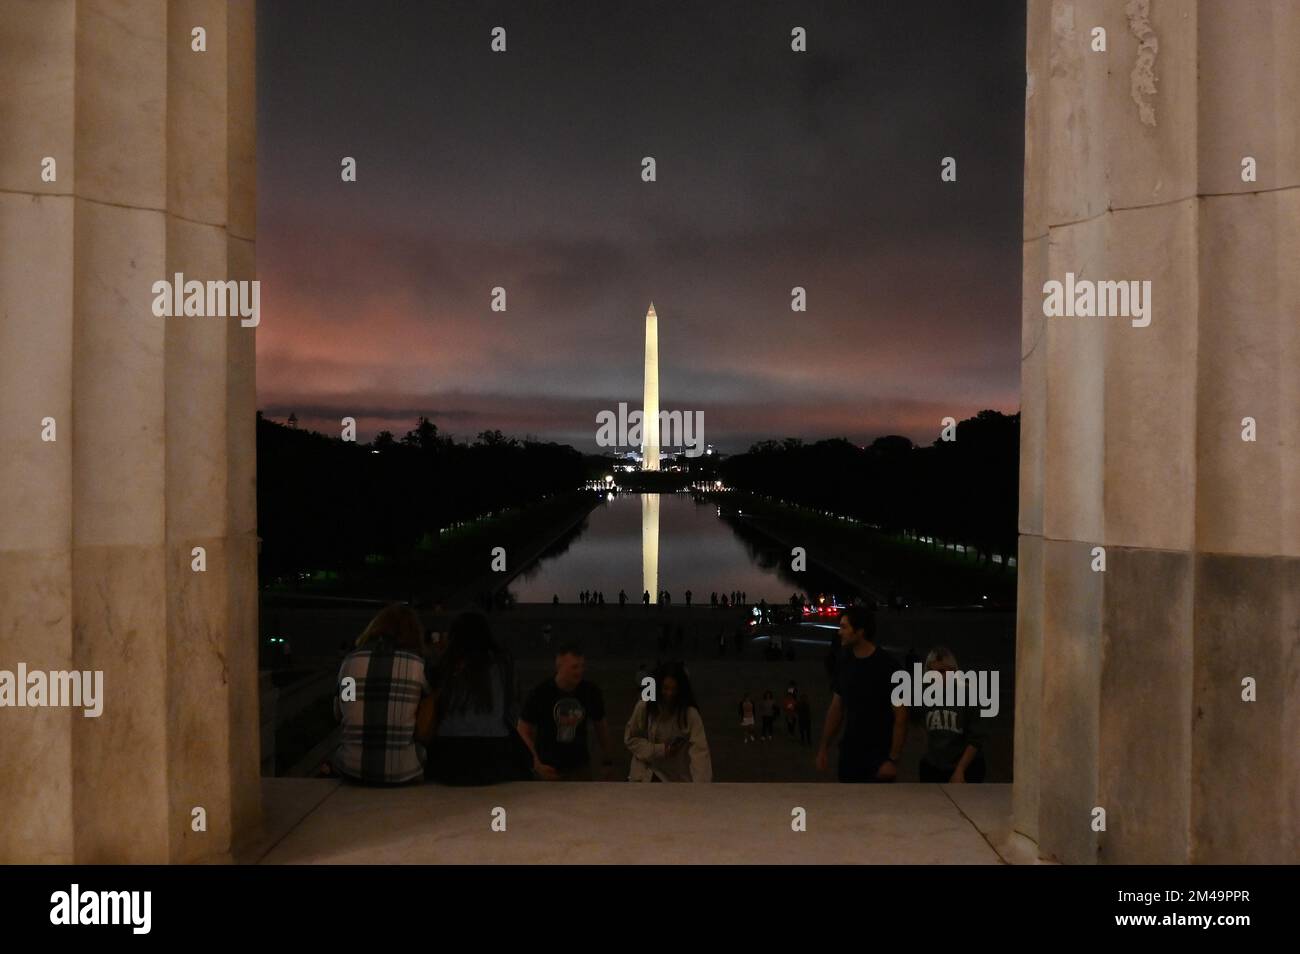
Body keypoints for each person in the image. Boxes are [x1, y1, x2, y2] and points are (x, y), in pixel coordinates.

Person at [329, 603, 434, 786]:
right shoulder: (418, 666)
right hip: (404, 771)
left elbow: (340, 713)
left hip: (352, 769)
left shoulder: (350, 662)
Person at [425, 612, 531, 785]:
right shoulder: (502, 663)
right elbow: (512, 711)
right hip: (493, 753)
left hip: (448, 754)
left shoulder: (445, 664)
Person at [816, 606, 907, 783]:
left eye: (844, 627)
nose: (839, 632)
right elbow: (836, 708)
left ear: (860, 632)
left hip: (878, 758)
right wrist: (823, 747)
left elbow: (901, 718)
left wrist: (893, 760)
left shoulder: (888, 666)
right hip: (850, 755)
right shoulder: (844, 662)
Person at [518, 644, 613, 780]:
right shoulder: (541, 693)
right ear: (559, 666)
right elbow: (523, 729)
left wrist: (608, 760)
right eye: (574, 667)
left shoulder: (590, 691)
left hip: (579, 767)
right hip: (548, 768)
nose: (579, 671)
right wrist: (536, 764)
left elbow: (601, 727)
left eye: (582, 666)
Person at [624, 662, 712, 782]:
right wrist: (661, 750)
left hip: (675, 778)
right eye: (665, 688)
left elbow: (700, 753)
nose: (669, 694)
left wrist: (701, 788)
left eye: (674, 689)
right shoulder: (644, 707)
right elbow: (631, 739)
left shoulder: (690, 714)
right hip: (645, 775)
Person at [918, 647, 986, 783]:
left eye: (942, 671)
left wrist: (960, 770)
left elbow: (976, 739)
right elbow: (923, 727)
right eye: (932, 672)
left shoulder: (968, 695)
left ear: (953, 671)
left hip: (966, 765)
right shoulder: (925, 694)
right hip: (935, 765)